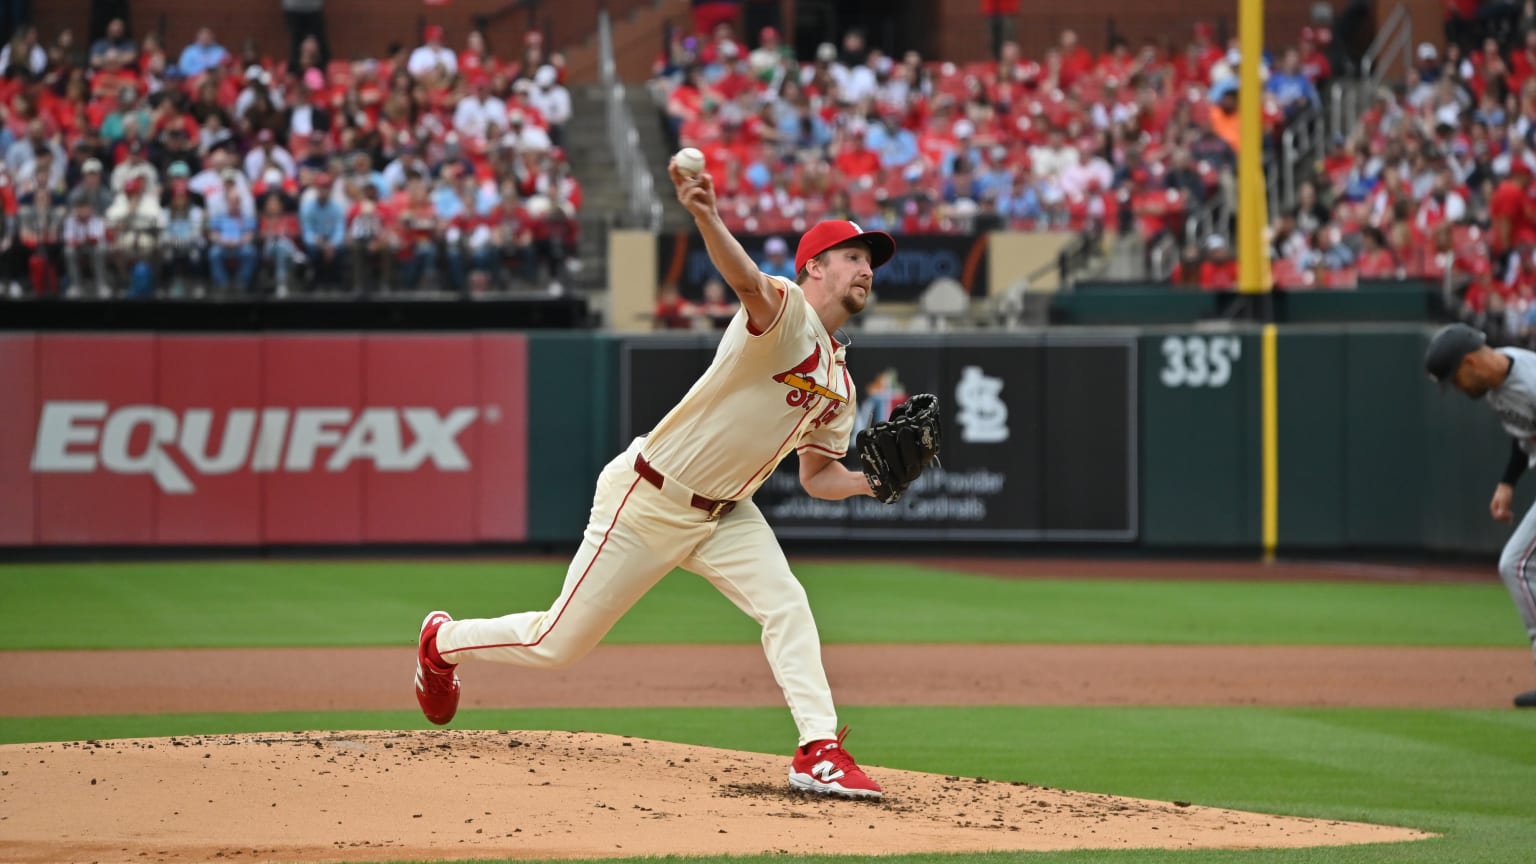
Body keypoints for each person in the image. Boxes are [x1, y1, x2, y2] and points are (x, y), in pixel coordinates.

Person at [414, 158, 905, 799]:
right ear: (815, 267)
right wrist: (704, 213)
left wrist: (872, 482)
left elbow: (817, 477)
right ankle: (441, 643)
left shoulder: (840, 382)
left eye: (872, 259)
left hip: (727, 514)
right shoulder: (786, 312)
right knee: (558, 643)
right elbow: (746, 281)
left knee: (788, 604)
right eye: (852, 255)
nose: (866, 267)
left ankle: (817, 748)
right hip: (649, 497)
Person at [1424, 323, 1536, 709]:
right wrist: (1508, 482)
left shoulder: (1531, 379)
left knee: (1517, 564)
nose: (1457, 388)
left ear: (1470, 362)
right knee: (1517, 565)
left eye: (1454, 379)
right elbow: (1525, 438)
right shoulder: (1495, 389)